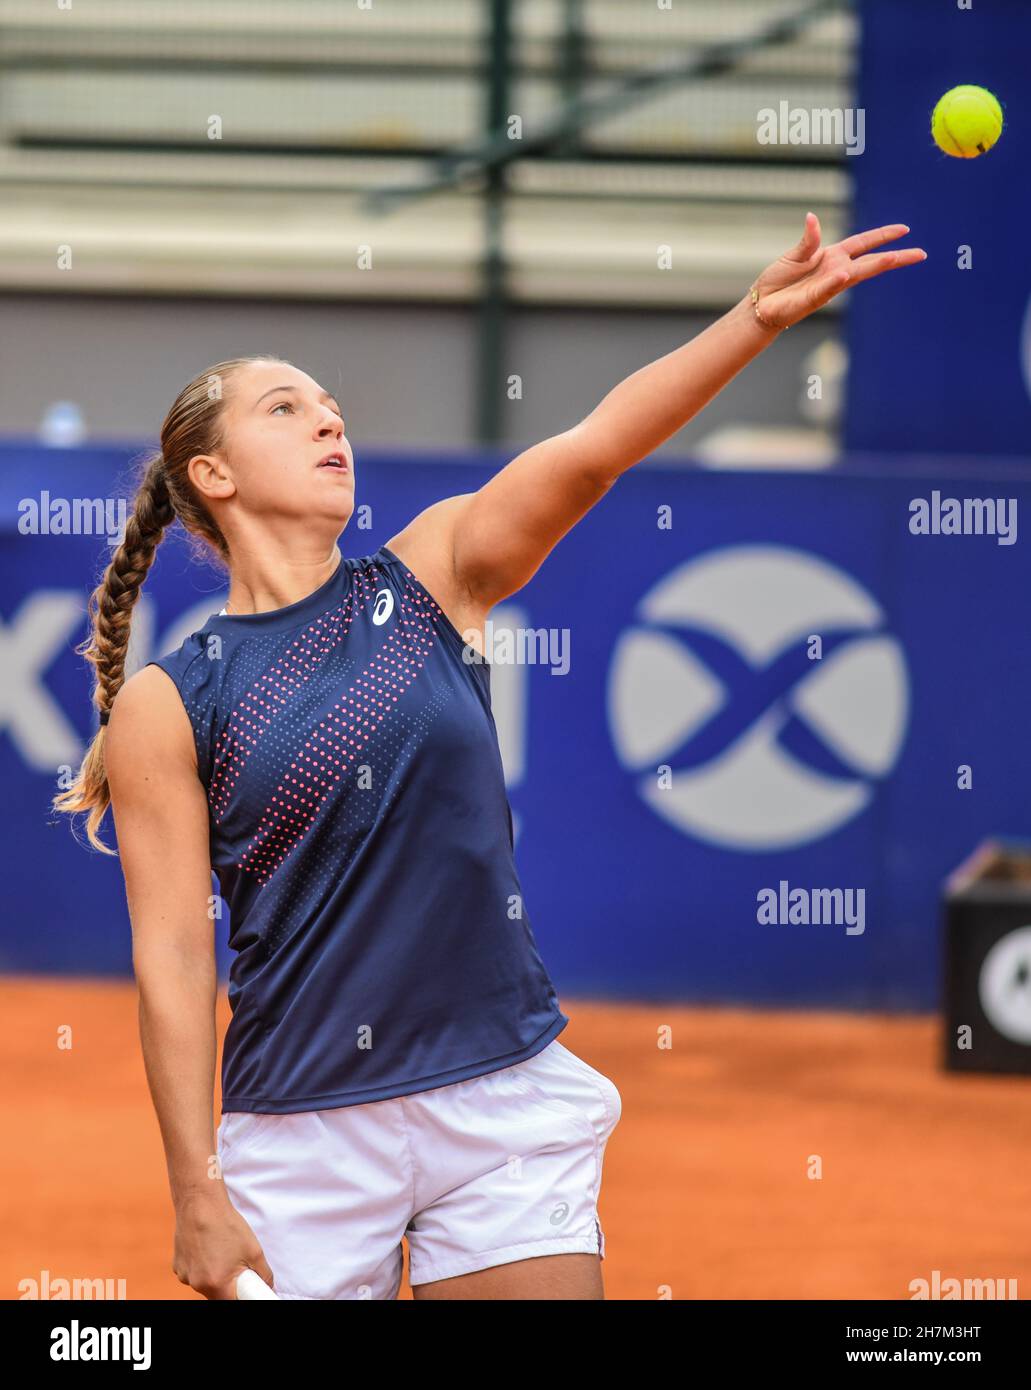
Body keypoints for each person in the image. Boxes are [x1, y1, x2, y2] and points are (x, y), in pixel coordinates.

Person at [52, 214, 926, 1300]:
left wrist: (751, 320)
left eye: (333, 409)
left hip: (501, 1099)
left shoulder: (431, 577)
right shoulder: (167, 702)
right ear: (212, 473)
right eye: (288, 409)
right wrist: (196, 1188)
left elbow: (594, 449)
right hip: (302, 1130)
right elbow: (177, 961)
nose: (330, 422)